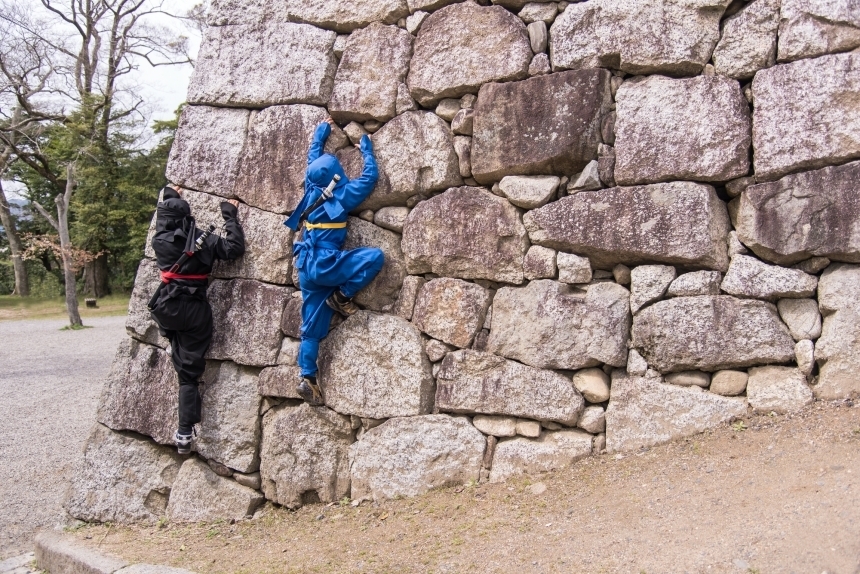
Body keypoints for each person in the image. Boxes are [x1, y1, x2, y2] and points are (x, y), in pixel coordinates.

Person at [284, 120, 384, 406]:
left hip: (305, 264)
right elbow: (370, 177)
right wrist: (367, 150)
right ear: (336, 174)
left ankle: (308, 377)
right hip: (326, 262)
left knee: (310, 326)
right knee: (374, 258)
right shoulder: (342, 194)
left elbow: (312, 162)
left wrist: (320, 135)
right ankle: (342, 296)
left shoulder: (311, 188)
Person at [149, 185, 245, 453]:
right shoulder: (206, 240)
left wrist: (171, 196)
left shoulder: (159, 242)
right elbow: (234, 248)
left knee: (180, 352)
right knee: (188, 374)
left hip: (167, 308)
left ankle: (175, 349)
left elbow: (166, 220)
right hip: (194, 311)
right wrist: (229, 214)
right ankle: (184, 430)